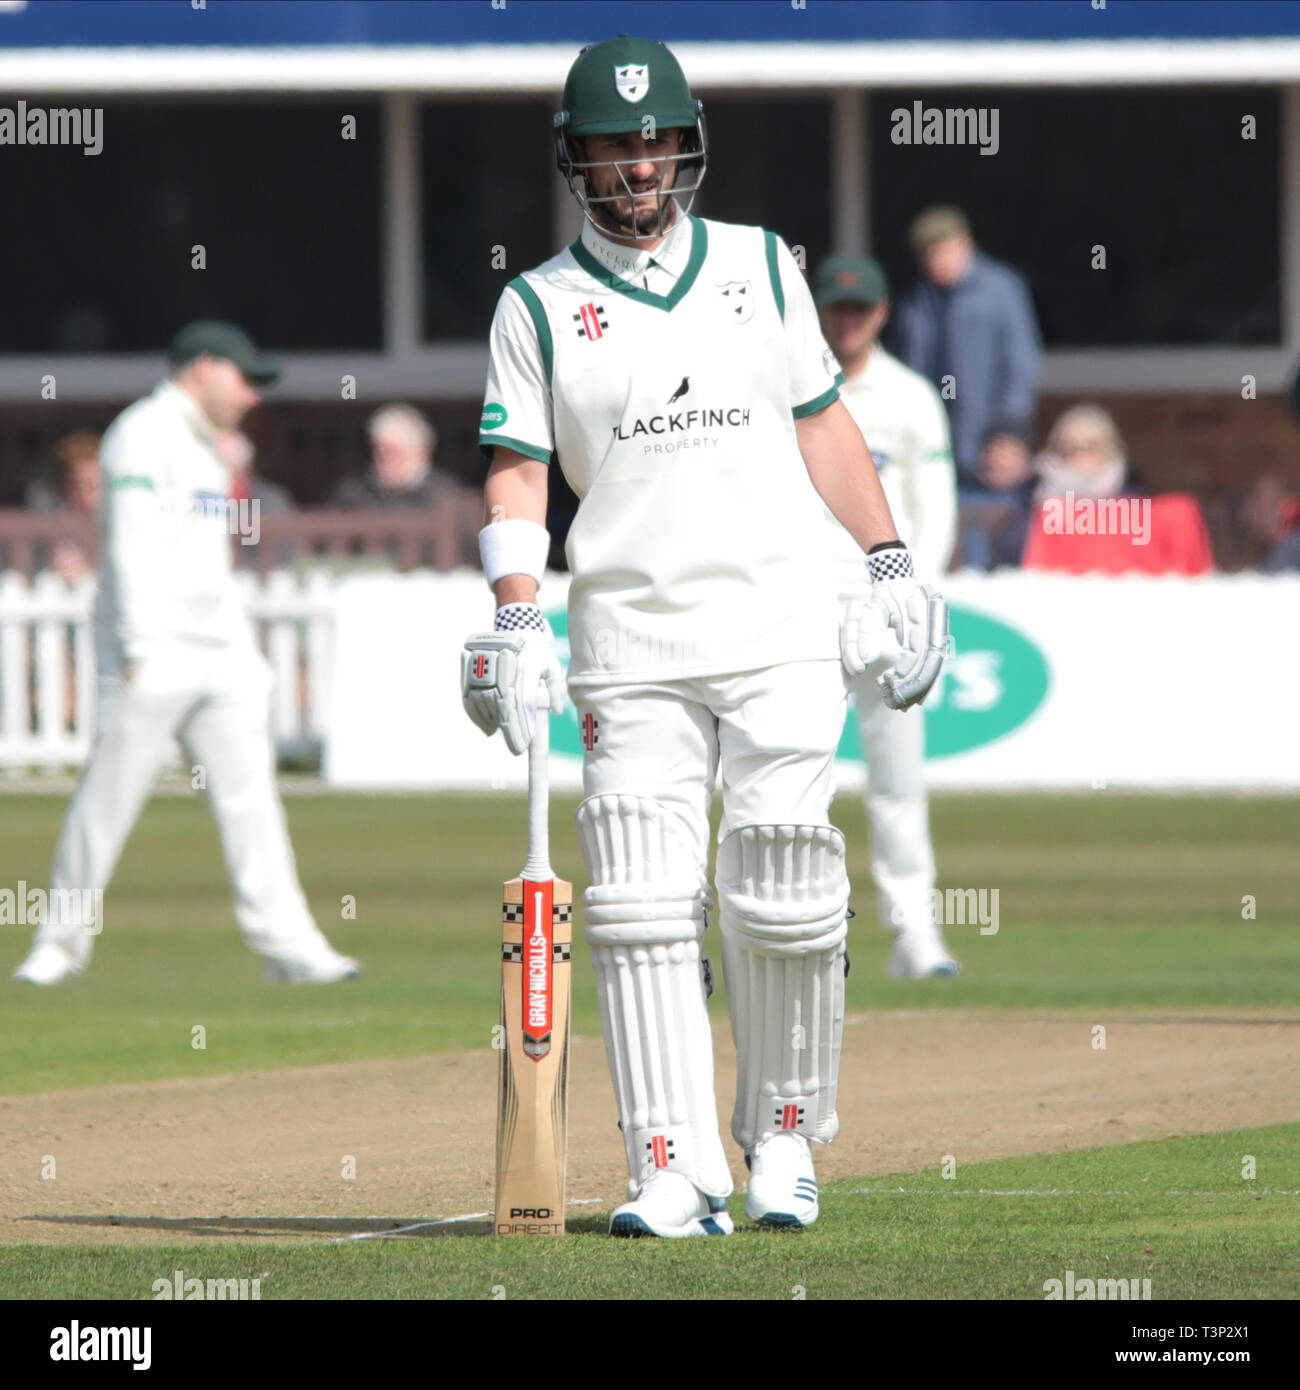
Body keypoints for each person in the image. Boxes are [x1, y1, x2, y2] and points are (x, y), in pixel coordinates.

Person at [460, 37, 947, 1238]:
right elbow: (517, 476)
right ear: (574, 160)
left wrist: (886, 559)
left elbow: (824, 424)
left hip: (778, 617)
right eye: (613, 148)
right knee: (635, 898)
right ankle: (670, 1164)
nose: (638, 167)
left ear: (685, 145)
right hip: (626, 630)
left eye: (655, 142)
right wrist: (516, 612)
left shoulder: (764, 266)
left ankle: (782, 1138)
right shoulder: (535, 305)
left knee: (786, 873)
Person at [12, 320, 358, 987]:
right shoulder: (140, 435)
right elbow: (130, 546)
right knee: (107, 801)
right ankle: (58, 947)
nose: (252, 397)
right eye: (243, 379)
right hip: (153, 654)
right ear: (204, 366)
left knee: (251, 801)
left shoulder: (209, 449)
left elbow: (207, 558)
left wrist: (242, 654)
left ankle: (290, 945)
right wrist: (139, 647)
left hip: (218, 655)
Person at [813, 252, 959, 978]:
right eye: (836, 308)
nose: (848, 320)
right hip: (807, 608)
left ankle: (916, 935)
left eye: (859, 309)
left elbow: (935, 508)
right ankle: (803, 934)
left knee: (899, 783)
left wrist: (913, 598)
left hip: (887, 612)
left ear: (881, 311)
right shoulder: (794, 392)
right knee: (795, 778)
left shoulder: (908, 396)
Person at [889, 206, 1043, 569]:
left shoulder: (1001, 290)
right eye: (926, 253)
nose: (933, 260)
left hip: (991, 443)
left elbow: (1020, 365)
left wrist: (1009, 432)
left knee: (998, 540)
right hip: (933, 442)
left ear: (964, 244)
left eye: (940, 249)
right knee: (935, 532)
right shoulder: (914, 302)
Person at [25, 429, 103, 583]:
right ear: (65, 485)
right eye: (77, 484)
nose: (83, 493)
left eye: (92, 485)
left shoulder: (117, 517)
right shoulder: (54, 518)